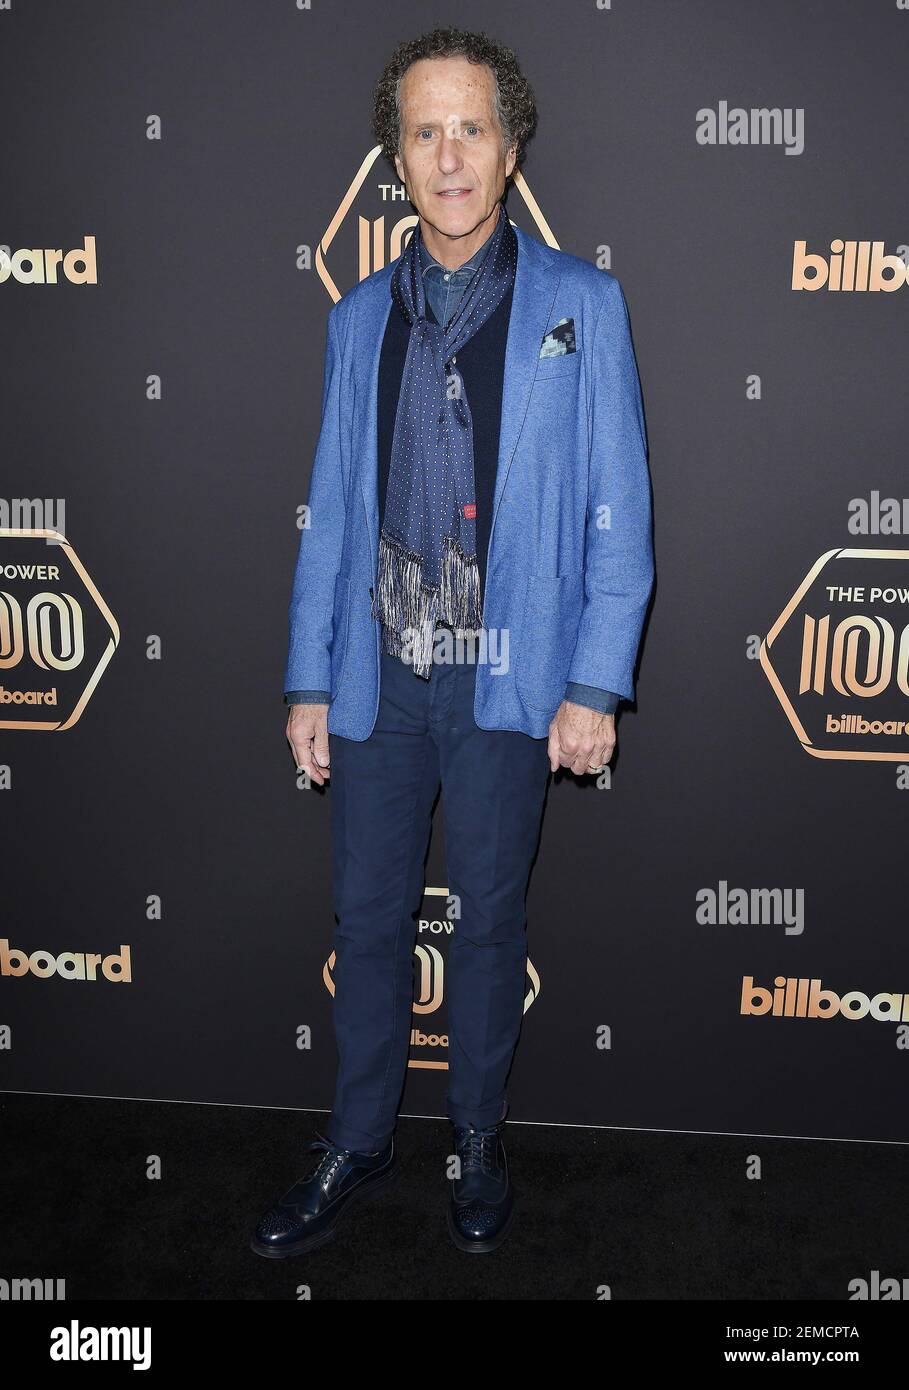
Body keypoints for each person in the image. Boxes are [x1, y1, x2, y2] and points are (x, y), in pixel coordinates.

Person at [251, 25, 654, 1259]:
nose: (449, 154)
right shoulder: (359, 314)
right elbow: (330, 507)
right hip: (381, 669)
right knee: (366, 924)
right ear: (398, 157)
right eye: (423, 131)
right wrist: (309, 675)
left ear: (510, 142)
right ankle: (360, 1137)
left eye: (470, 126)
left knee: (488, 925)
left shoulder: (582, 304)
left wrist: (592, 683)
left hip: (507, 674)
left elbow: (620, 511)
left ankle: (474, 1138)